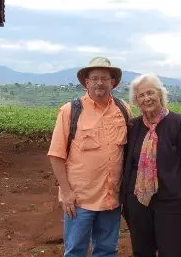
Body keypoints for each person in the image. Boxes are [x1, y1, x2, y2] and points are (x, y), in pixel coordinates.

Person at [48, 57, 132, 257]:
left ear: (112, 82)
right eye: (94, 78)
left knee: (107, 251)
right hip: (80, 200)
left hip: (111, 198)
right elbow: (56, 155)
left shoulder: (123, 110)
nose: (99, 83)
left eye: (104, 78)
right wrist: (66, 193)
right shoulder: (70, 111)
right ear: (86, 82)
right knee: (76, 251)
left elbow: (129, 152)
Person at [120, 74, 181, 257]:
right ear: (136, 101)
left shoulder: (178, 122)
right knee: (142, 251)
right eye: (141, 95)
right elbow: (128, 164)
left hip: (170, 202)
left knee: (172, 251)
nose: (147, 98)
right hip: (138, 201)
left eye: (150, 93)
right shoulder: (134, 126)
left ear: (160, 94)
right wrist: (126, 201)